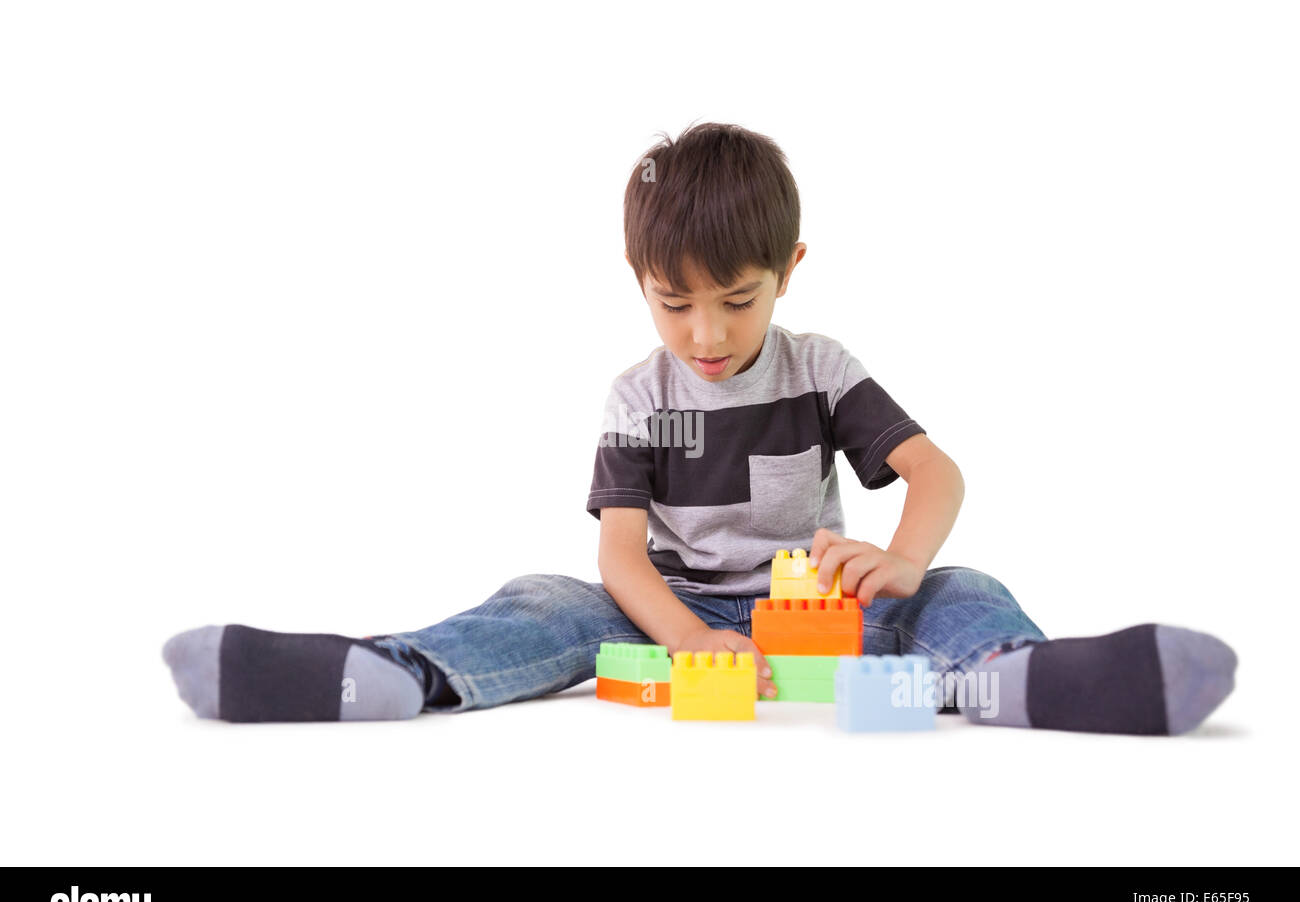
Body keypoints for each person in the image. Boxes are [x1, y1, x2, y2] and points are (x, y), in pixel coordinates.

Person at [163, 122, 1236, 734]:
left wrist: (900, 560)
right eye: (674, 302)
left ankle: (1013, 674)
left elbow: (934, 471)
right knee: (545, 599)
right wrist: (687, 637)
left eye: (735, 297)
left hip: (809, 614)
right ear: (639, 282)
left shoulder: (821, 370)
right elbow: (618, 557)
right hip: (668, 617)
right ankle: (396, 670)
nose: (707, 331)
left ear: (788, 273)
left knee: (963, 589)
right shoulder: (635, 394)